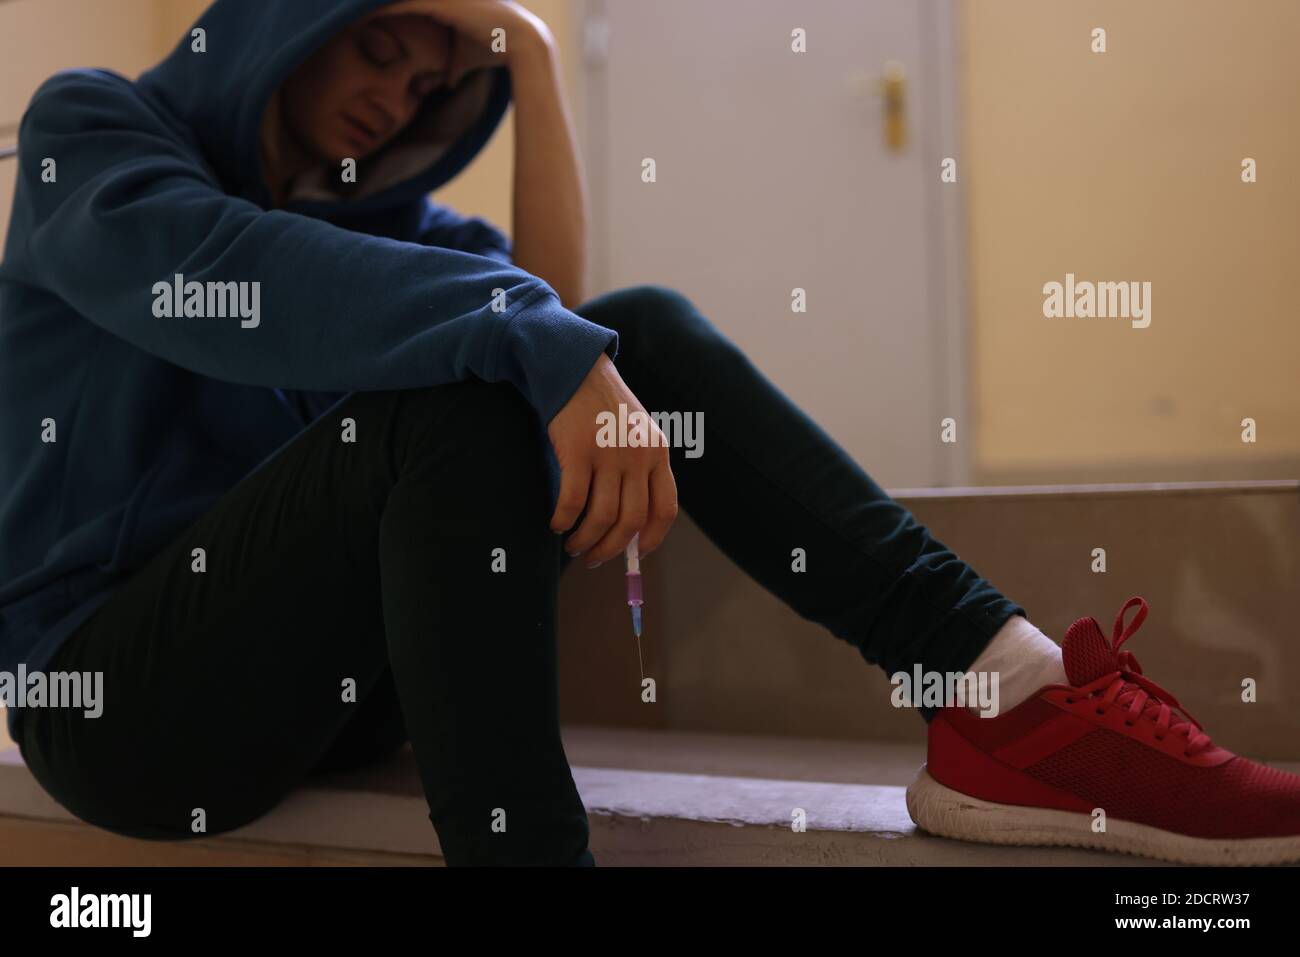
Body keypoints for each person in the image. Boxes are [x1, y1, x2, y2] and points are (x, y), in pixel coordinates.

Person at [0, 0, 1295, 867]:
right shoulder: (93, 132)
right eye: (382, 48)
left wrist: (535, 60)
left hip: (331, 688)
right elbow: (216, 274)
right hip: (127, 707)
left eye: (438, 83)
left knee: (639, 329)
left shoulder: (391, 233)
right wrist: (533, 341)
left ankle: (1002, 690)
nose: (399, 102)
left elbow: (555, 325)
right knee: (496, 370)